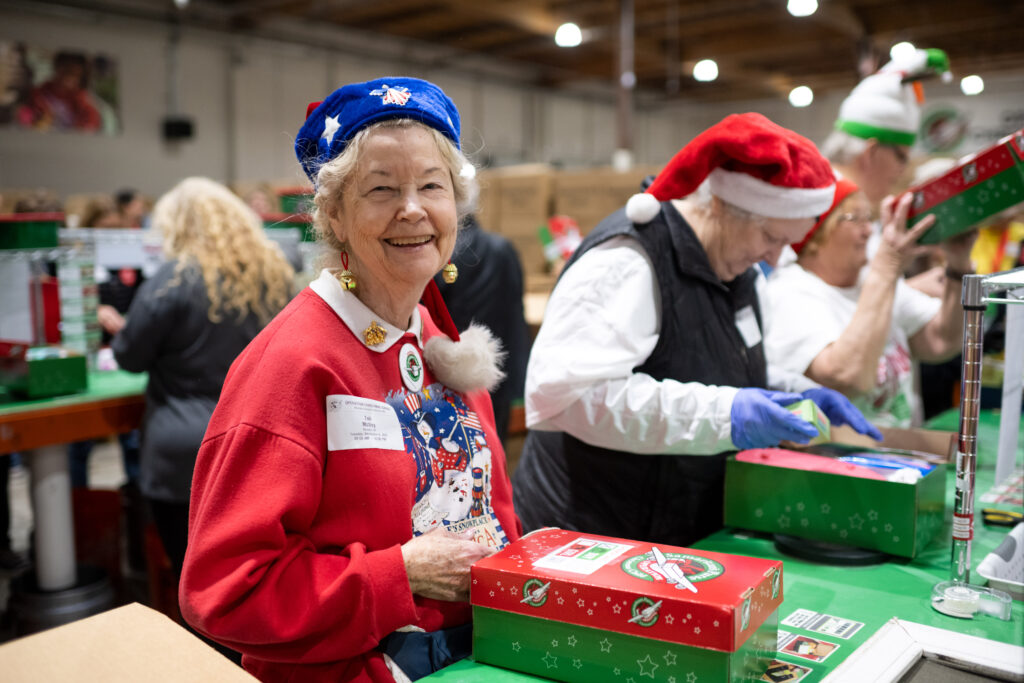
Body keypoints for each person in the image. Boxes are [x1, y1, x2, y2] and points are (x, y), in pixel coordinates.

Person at [179, 77, 522, 682]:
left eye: (432, 186)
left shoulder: (440, 346)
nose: (412, 209)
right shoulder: (291, 364)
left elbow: (493, 517)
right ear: (333, 216)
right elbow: (224, 590)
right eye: (381, 189)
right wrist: (401, 573)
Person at [512, 113, 881, 547]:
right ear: (723, 205)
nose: (777, 259)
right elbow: (566, 398)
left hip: (675, 529)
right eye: (771, 237)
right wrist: (729, 414)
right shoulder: (628, 262)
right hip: (593, 537)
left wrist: (788, 394)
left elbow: (712, 363)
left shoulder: (741, 269)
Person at [99, 177, 295, 585]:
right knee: (252, 578)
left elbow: (129, 356)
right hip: (259, 446)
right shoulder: (274, 275)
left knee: (195, 582)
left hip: (185, 456)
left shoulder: (172, 280)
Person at [763, 179, 975, 428]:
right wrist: (887, 266)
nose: (869, 231)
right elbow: (847, 378)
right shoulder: (790, 292)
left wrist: (958, 265)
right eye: (856, 219)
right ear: (816, 233)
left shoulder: (870, 281)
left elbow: (941, 341)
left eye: (869, 219)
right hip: (836, 460)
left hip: (897, 453)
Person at [433, 211, 531, 443]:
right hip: (499, 366)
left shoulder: (445, 256)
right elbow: (517, 315)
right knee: (494, 444)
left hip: (453, 370)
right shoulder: (504, 247)